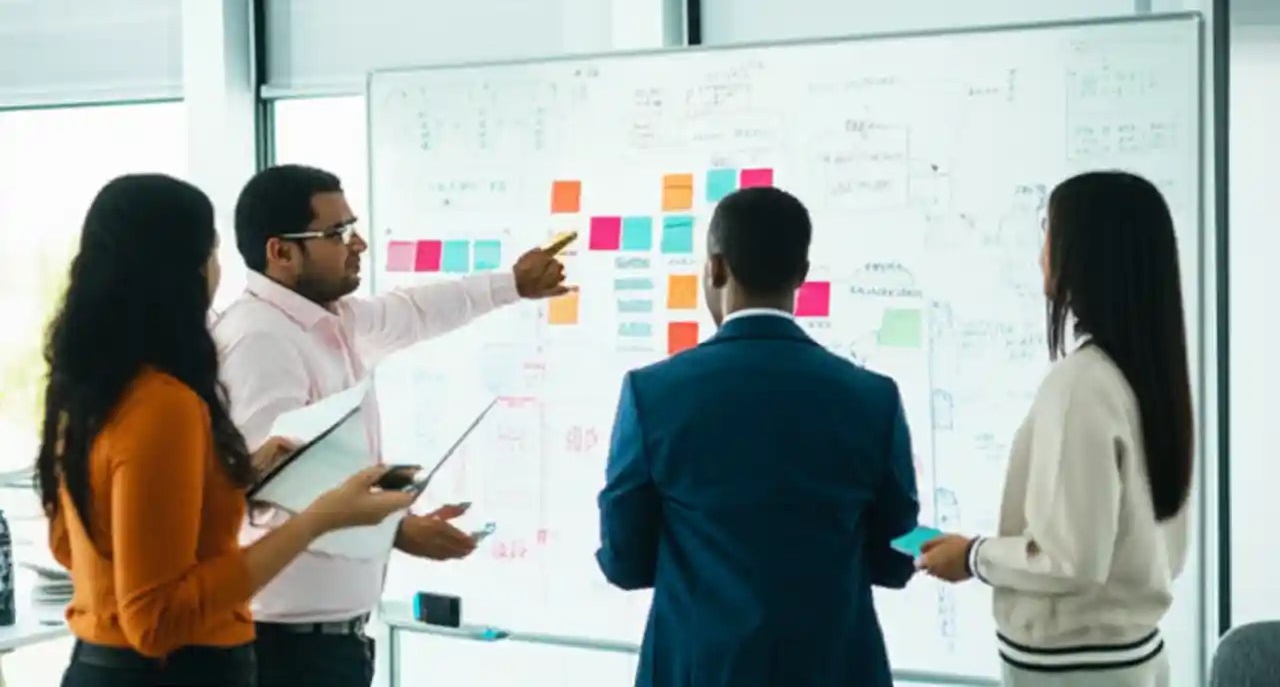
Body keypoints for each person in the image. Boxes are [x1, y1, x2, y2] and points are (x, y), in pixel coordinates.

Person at [36, 174, 417, 687]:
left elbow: (75, 546)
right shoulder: (164, 405)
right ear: (185, 272)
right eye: (213, 254)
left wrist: (231, 482)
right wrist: (318, 519)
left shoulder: (87, 393)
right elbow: (157, 621)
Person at [213, 164, 570, 687]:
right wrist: (397, 529)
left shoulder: (333, 319)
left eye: (353, 227)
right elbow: (273, 486)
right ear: (280, 252)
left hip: (329, 639)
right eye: (337, 234)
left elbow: (418, 312)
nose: (358, 244)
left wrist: (511, 284)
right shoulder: (261, 339)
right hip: (283, 646)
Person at [596, 186, 921, 687]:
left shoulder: (652, 394)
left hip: (698, 669)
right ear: (802, 276)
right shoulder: (872, 397)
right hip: (834, 669)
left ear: (716, 268)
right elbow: (898, 557)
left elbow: (624, 561)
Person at [918, 171, 1193, 686]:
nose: (1041, 253)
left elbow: (1069, 560)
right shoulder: (1150, 376)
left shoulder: (1082, 384)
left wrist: (973, 556)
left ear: (1087, 254)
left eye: (1049, 233)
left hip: (1077, 672)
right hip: (1127, 658)